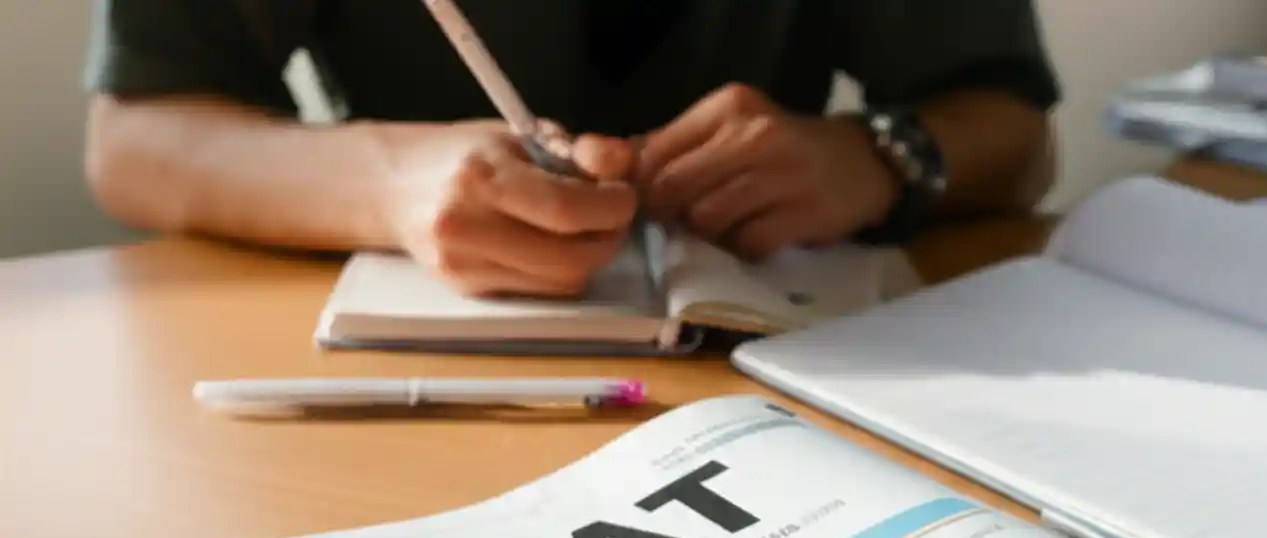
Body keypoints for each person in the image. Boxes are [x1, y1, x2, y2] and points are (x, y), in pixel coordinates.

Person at [84, 1, 1060, 298]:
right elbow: (133, 137)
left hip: (798, 380)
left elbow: (1018, 139)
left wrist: (878, 155)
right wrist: (388, 182)